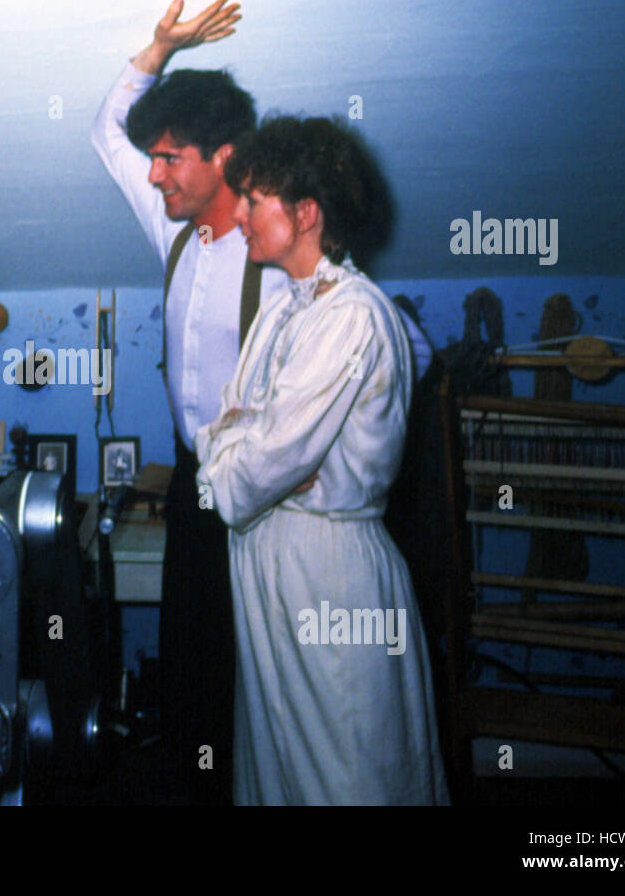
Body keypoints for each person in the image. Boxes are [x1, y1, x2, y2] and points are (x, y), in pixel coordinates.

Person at [92, 0, 431, 804]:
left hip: (280, 510)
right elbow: (108, 136)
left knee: (315, 718)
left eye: (172, 157)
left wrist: (335, 449)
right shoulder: (172, 230)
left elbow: (401, 349)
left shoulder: (292, 277)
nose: (156, 173)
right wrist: (157, 50)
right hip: (197, 489)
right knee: (208, 692)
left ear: (224, 158)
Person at [196, 115, 449, 805]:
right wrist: (239, 442)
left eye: (253, 199)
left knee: (348, 766)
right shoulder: (282, 311)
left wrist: (240, 446)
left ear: (306, 213)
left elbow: (243, 478)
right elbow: (221, 432)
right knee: (278, 767)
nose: (239, 215)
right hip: (269, 567)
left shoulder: (353, 316)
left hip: (327, 574)